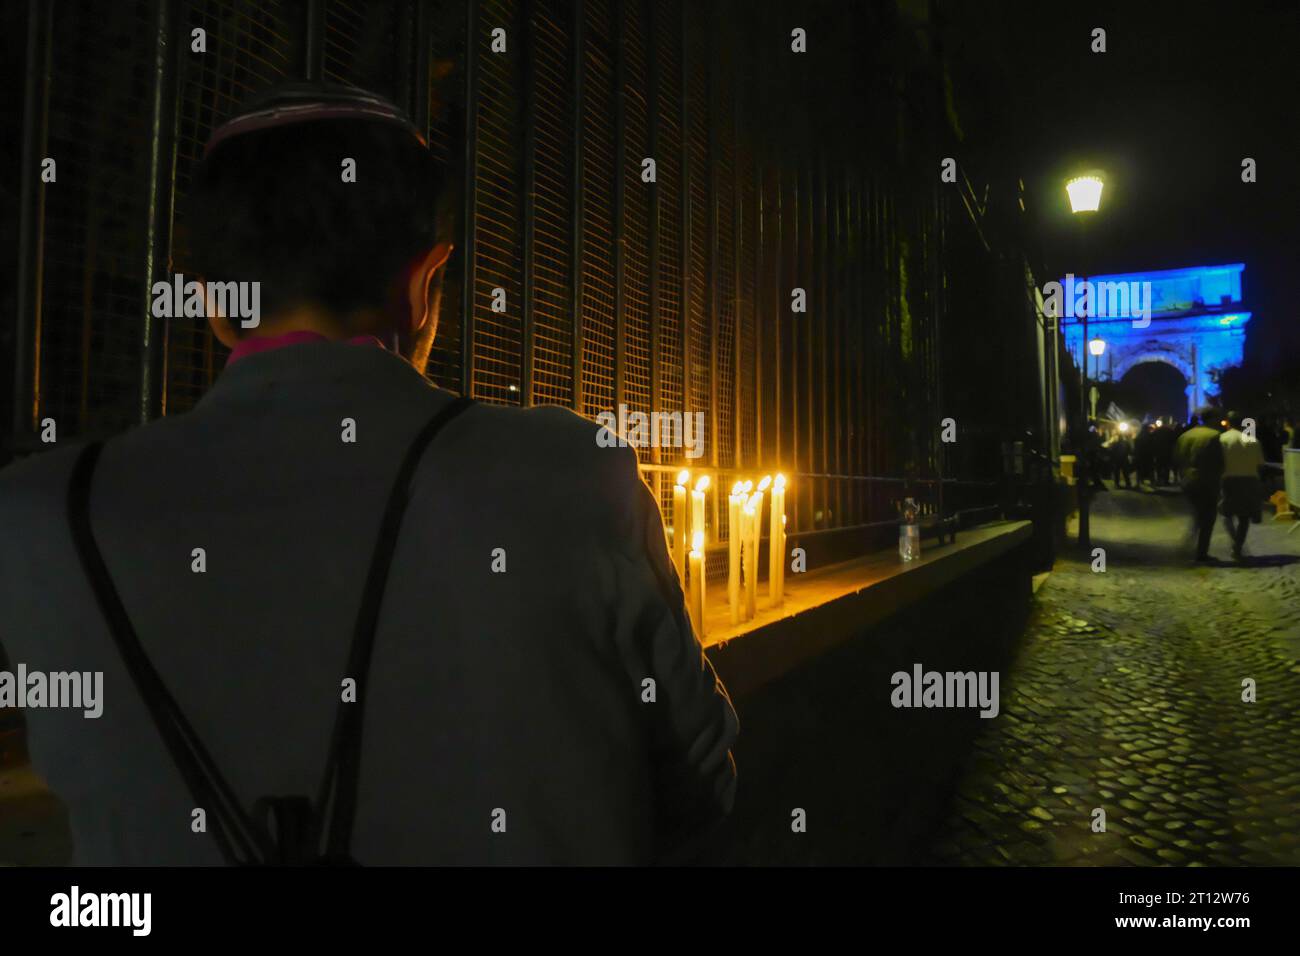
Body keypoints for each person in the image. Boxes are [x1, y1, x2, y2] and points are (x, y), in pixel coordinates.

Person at [0, 82, 738, 865]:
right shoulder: (573, 474)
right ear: (425, 287)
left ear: (212, 301)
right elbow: (700, 783)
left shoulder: (42, 518)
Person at [1173, 408, 1224, 563]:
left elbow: (1176, 458)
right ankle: (1201, 553)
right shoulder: (1214, 436)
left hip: (1188, 480)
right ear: (1212, 419)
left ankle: (1187, 548)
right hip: (1207, 480)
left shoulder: (1185, 436)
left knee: (1198, 514)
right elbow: (1220, 460)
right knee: (1208, 518)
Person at [1219, 409, 1267, 562]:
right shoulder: (1252, 440)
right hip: (1250, 480)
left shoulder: (1222, 439)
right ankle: (1238, 546)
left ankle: (1235, 541)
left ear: (1228, 423)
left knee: (1226, 514)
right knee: (1244, 516)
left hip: (1228, 480)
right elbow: (1260, 463)